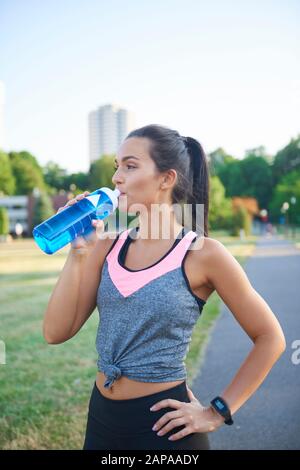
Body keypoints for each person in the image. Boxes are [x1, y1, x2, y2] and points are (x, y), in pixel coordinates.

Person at [43, 124, 286, 450]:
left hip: (164, 429)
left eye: (130, 166)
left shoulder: (203, 254)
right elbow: (56, 332)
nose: (116, 177)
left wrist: (217, 412)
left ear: (166, 179)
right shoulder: (106, 246)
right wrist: (77, 253)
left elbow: (271, 338)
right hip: (101, 420)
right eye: (118, 167)